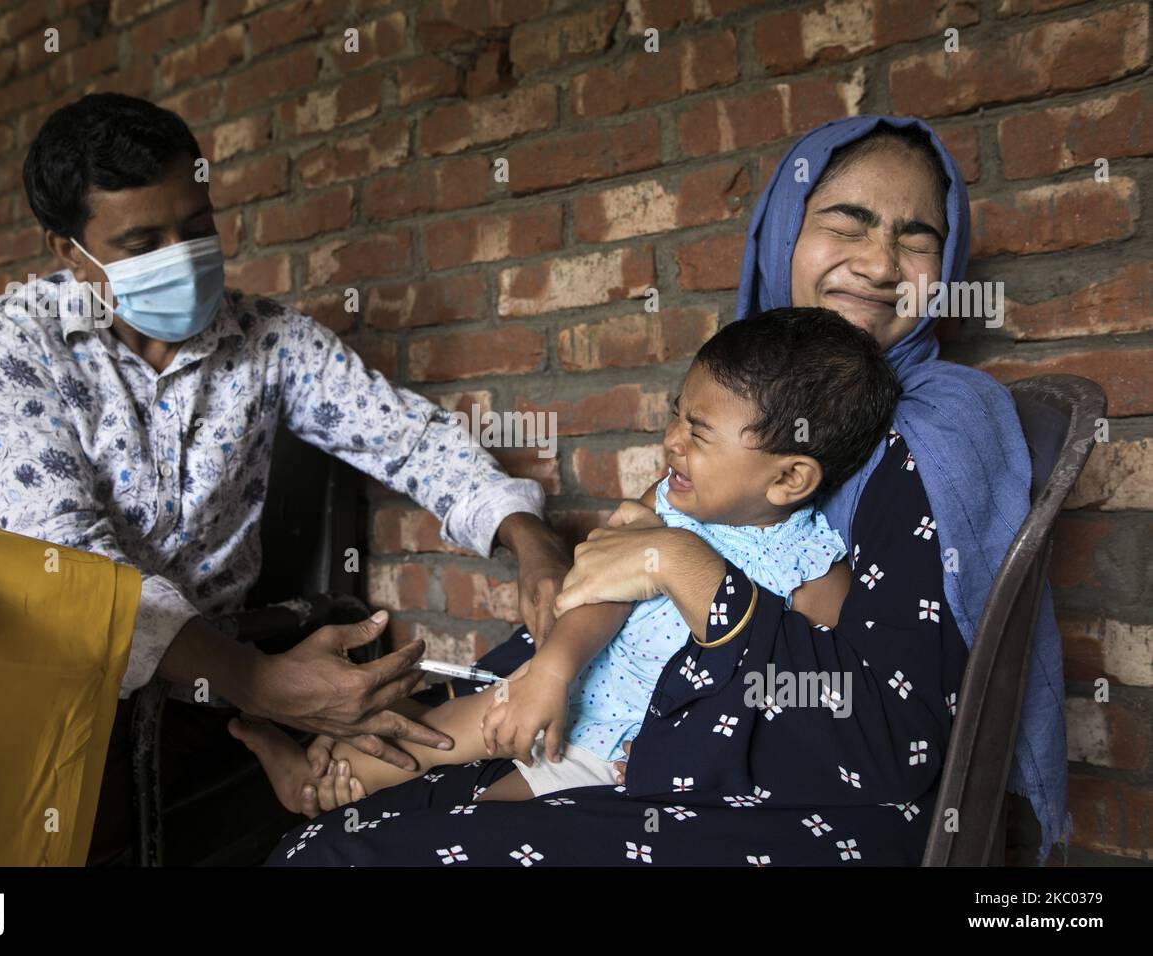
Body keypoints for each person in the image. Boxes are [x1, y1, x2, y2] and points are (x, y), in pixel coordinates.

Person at [263, 114, 1069, 867]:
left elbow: (889, 739)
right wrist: (469, 703)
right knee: (345, 823)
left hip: (790, 793)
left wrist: (678, 562)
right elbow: (614, 586)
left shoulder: (936, 433)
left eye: (916, 234)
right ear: (785, 233)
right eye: (847, 222)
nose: (882, 261)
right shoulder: (739, 403)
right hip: (647, 734)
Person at [0, 92, 573, 810]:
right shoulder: (11, 341)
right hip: (67, 678)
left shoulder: (267, 339)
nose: (180, 259)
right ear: (70, 251)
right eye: (142, 244)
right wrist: (265, 686)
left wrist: (527, 538)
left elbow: (408, 438)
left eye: (197, 226)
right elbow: (68, 561)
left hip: (214, 680)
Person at [239, 308, 899, 811]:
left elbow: (800, 690)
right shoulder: (667, 503)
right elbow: (598, 591)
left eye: (697, 432)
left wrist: (695, 748)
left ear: (788, 479)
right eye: (676, 415)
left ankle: (350, 781)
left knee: (489, 812)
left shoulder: (814, 570)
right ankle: (316, 774)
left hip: (619, 750)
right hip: (575, 682)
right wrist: (550, 670)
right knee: (441, 731)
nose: (669, 441)